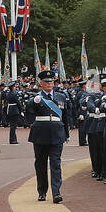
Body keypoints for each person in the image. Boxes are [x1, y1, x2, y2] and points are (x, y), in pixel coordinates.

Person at [26, 69, 68, 203]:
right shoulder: (35, 97)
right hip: (40, 134)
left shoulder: (61, 96)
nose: (49, 84)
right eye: (46, 82)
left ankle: (56, 193)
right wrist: (33, 102)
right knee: (41, 164)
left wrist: (66, 133)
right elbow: (28, 114)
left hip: (57, 132)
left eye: (51, 81)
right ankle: (42, 191)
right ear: (41, 83)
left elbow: (65, 116)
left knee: (56, 163)